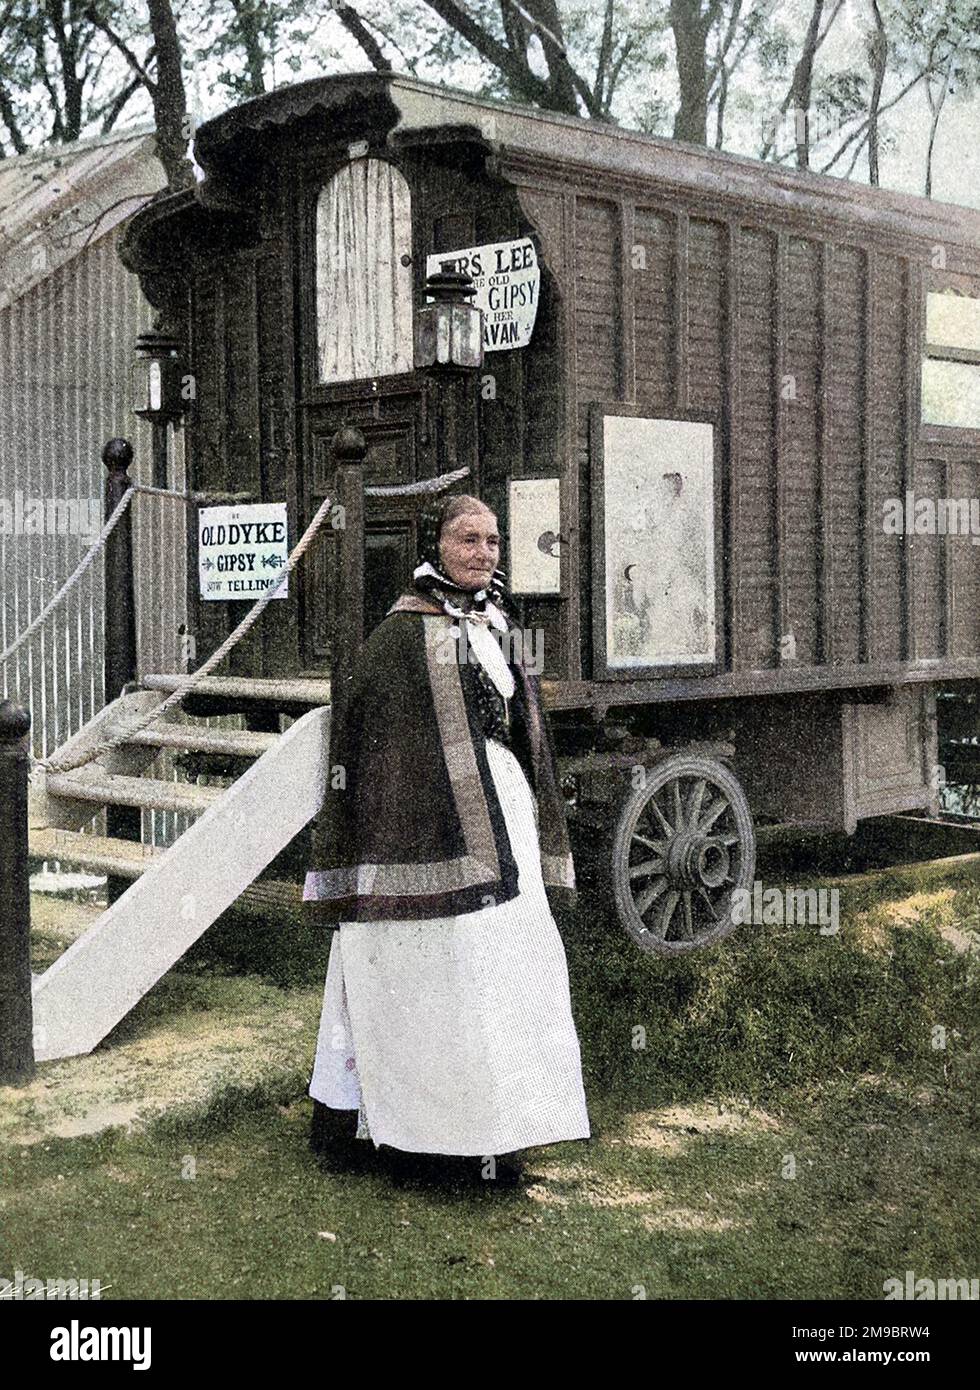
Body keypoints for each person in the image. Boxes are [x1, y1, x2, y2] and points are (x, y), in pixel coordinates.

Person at [303, 493, 591, 1187]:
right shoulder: (399, 637)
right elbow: (376, 746)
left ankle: (499, 1133)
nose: (484, 553)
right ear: (435, 546)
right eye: (469, 539)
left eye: (493, 541)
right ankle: (429, 1145)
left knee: (504, 976)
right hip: (425, 832)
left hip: (500, 825)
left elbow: (523, 725)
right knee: (441, 976)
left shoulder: (497, 619)